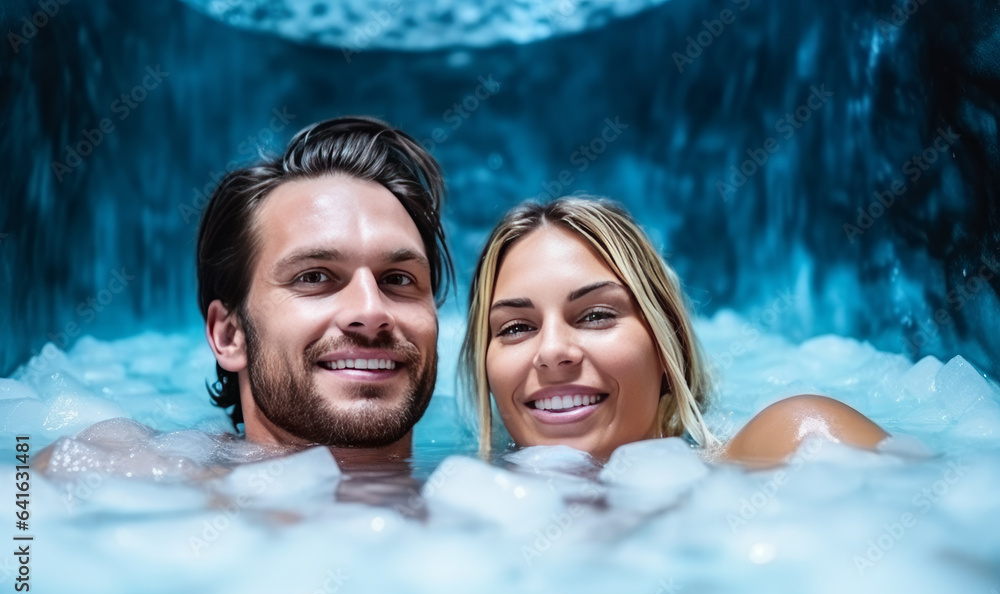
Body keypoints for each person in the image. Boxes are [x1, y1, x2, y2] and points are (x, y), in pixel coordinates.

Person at [460, 196, 887, 464]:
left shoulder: (790, 443)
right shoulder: (457, 513)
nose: (551, 351)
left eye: (596, 315)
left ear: (667, 348)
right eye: (516, 327)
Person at [198, 116, 453, 468]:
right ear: (229, 335)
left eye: (398, 279)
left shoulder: (505, 501)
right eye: (314, 276)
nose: (371, 312)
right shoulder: (146, 491)